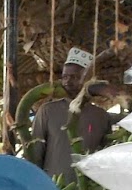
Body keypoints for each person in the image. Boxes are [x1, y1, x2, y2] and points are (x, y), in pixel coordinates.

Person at [28, 47, 115, 178]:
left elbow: (105, 156)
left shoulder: (101, 115)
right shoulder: (48, 111)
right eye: (65, 77)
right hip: (53, 188)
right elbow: (35, 155)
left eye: (74, 77)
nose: (67, 81)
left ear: (89, 79)